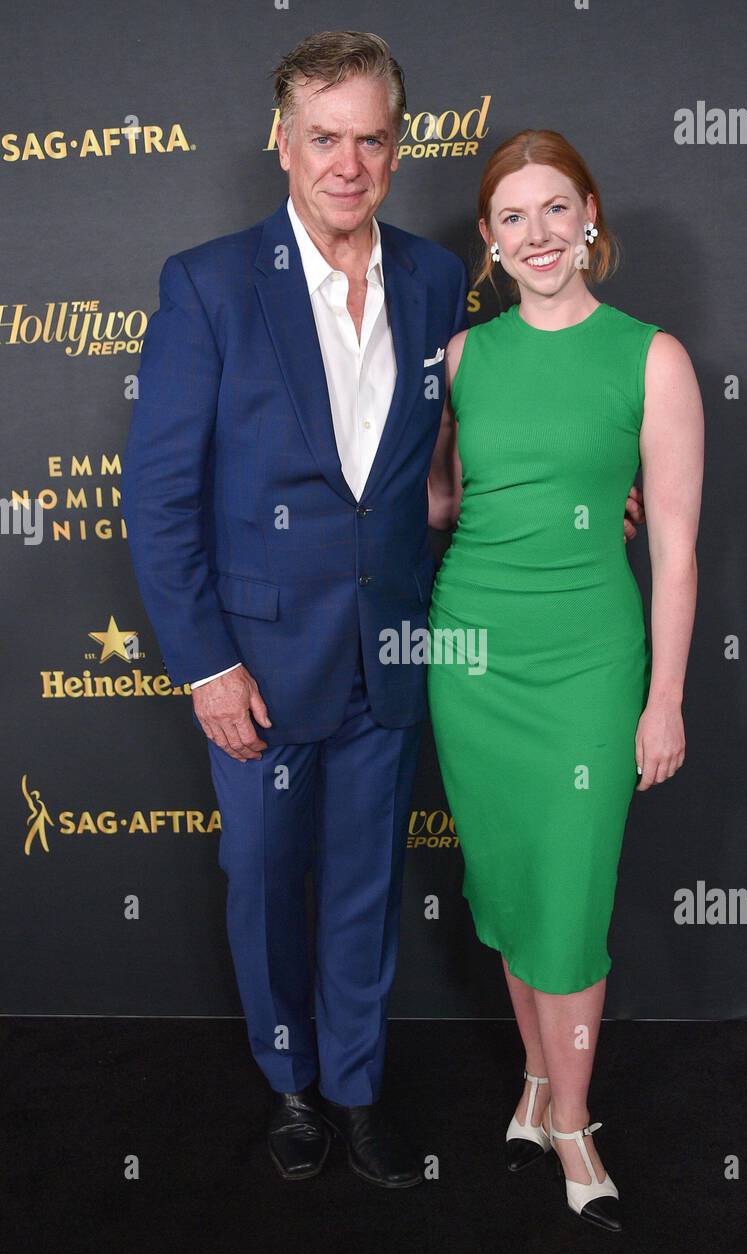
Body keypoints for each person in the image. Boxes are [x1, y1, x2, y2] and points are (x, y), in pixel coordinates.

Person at [122, 30, 648, 1193]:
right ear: (282, 143)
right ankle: (291, 1088)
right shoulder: (208, 283)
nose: (346, 163)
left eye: (368, 139)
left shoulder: (429, 280)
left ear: (396, 147)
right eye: (323, 138)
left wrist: (564, 505)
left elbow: (437, 478)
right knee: (267, 886)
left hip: (394, 650)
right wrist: (205, 665)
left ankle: (356, 1092)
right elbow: (155, 498)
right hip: (257, 661)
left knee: (363, 887)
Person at [426, 131, 703, 1231]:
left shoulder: (652, 357)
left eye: (554, 209)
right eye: (512, 217)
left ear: (589, 215)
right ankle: (539, 1084)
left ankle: (575, 1122)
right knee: (507, 886)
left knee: (571, 894)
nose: (536, 233)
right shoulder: (461, 357)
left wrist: (664, 698)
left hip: (589, 662)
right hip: (472, 658)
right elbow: (443, 502)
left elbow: (674, 550)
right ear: (488, 240)